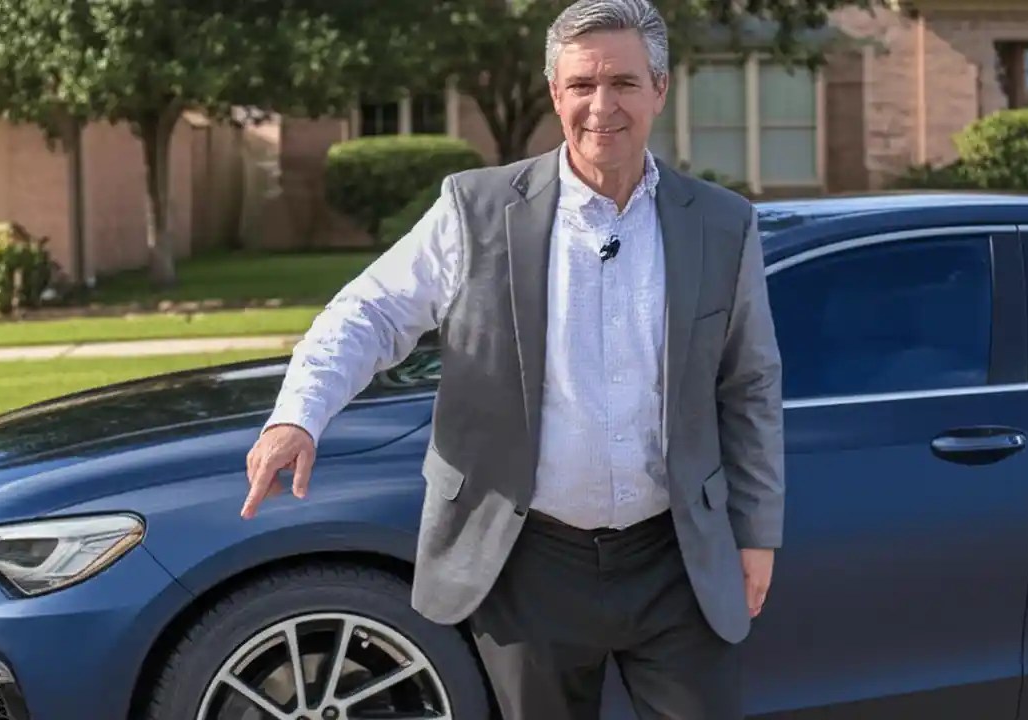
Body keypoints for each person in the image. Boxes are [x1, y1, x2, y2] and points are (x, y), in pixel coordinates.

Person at [242, 0, 784, 717]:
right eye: (582, 85)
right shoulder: (475, 210)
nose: (602, 106)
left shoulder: (721, 221)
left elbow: (748, 384)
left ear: (660, 88)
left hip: (677, 558)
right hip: (530, 564)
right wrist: (298, 416)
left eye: (623, 83)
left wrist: (756, 531)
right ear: (555, 94)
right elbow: (367, 313)